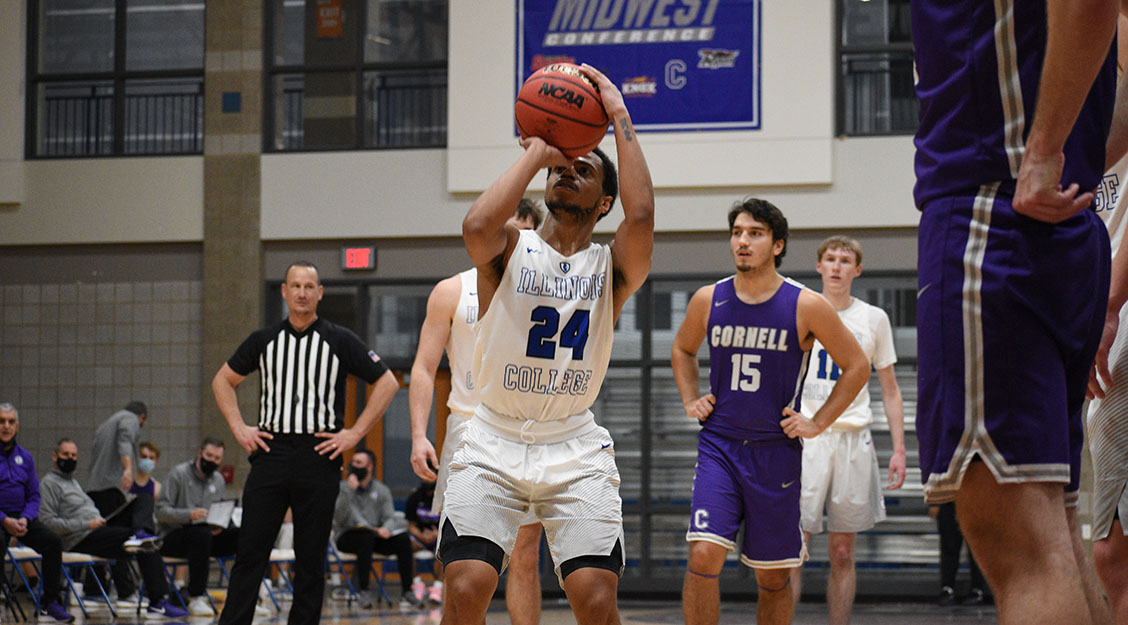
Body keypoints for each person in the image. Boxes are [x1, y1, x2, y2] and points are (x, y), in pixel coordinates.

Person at [912, 1, 1118, 623]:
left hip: (990, 222)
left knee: (1024, 551)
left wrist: (1046, 149)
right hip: (1060, 226)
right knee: (1054, 535)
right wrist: (1064, 156)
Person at [437, 63, 653, 625]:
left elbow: (645, 214)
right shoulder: (510, 248)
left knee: (597, 599)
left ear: (604, 202)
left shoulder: (612, 267)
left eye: (584, 170)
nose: (568, 173)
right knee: (464, 589)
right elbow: (474, 227)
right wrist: (538, 151)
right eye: (563, 168)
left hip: (573, 445)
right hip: (491, 437)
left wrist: (619, 112)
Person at [671, 199, 869, 625]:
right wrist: (691, 398)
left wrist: (817, 422)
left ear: (777, 245)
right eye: (738, 232)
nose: (743, 241)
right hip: (720, 445)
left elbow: (857, 366)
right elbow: (683, 348)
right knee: (704, 554)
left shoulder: (806, 304)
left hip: (774, 452)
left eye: (755, 234)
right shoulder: (709, 299)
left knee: (773, 577)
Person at [212, 260, 400, 625]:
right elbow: (223, 380)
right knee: (251, 552)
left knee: (311, 558)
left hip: (319, 455)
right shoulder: (263, 340)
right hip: (270, 452)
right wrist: (239, 428)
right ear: (284, 292)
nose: (301, 292)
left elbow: (388, 382)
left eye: (308, 286)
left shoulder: (340, 339)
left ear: (319, 293)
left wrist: (354, 433)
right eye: (294, 286)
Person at [408, 199, 543, 621]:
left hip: (526, 433)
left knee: (524, 556)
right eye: (507, 230)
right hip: (468, 429)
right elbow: (425, 368)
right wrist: (417, 435)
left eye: (524, 232)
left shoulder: (548, 294)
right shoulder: (452, 290)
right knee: (457, 559)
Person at [788, 235, 907, 623]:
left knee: (842, 551)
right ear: (819, 266)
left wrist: (900, 450)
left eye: (845, 260)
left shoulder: (873, 319)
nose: (837, 266)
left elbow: (890, 390)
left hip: (855, 438)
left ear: (857, 270)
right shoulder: (800, 308)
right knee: (794, 546)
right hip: (808, 439)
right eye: (831, 259)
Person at [39, 438, 188, 618]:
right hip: (80, 537)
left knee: (144, 499)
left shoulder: (74, 483)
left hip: (99, 527)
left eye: (74, 455)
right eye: (65, 454)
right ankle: (158, 602)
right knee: (145, 540)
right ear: (54, 456)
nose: (70, 458)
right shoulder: (48, 483)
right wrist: (86, 524)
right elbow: (48, 523)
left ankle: (140, 535)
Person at [0, 403, 73, 623]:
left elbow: (34, 496)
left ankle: (49, 603)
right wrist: (5, 520)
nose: (6, 426)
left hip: (22, 517)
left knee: (52, 542)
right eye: (2, 421)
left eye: (11, 422)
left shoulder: (26, 457)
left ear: (17, 426)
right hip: (0, 518)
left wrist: (24, 518)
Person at [155, 436, 240, 616]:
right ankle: (196, 596)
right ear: (200, 453)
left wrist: (221, 524)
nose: (212, 461)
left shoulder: (218, 480)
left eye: (217, 458)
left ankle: (245, 595)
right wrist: (189, 515)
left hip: (206, 536)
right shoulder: (178, 474)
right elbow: (161, 511)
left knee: (241, 535)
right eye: (209, 456)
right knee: (200, 534)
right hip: (173, 536)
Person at [332, 450, 422, 610]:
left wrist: (387, 529)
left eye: (359, 463)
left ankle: (407, 591)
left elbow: (390, 516)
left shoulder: (381, 490)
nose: (354, 466)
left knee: (402, 541)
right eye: (353, 462)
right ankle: (363, 591)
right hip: (347, 535)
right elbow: (340, 517)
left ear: (370, 467)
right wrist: (350, 492)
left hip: (373, 537)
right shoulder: (343, 488)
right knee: (365, 537)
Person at [86, 401, 148, 525]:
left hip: (95, 489)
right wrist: (128, 469)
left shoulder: (105, 426)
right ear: (141, 417)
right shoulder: (131, 419)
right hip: (112, 489)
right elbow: (124, 440)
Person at [930, 502, 988, 606]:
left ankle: (977, 589)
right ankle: (947, 588)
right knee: (949, 545)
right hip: (949, 501)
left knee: (976, 549)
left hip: (976, 501)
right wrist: (934, 503)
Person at [404, 479, 441, 604]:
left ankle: (438, 587)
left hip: (439, 537)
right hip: (420, 537)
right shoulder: (415, 496)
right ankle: (417, 584)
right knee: (406, 546)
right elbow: (410, 525)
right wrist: (421, 535)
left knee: (446, 549)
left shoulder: (445, 497)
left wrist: (437, 534)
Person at [128, 441, 161, 535]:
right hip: (126, 526)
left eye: (151, 458)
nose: (147, 460)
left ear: (156, 461)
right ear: (137, 458)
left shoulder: (157, 487)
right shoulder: (127, 483)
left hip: (147, 529)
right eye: (144, 456)